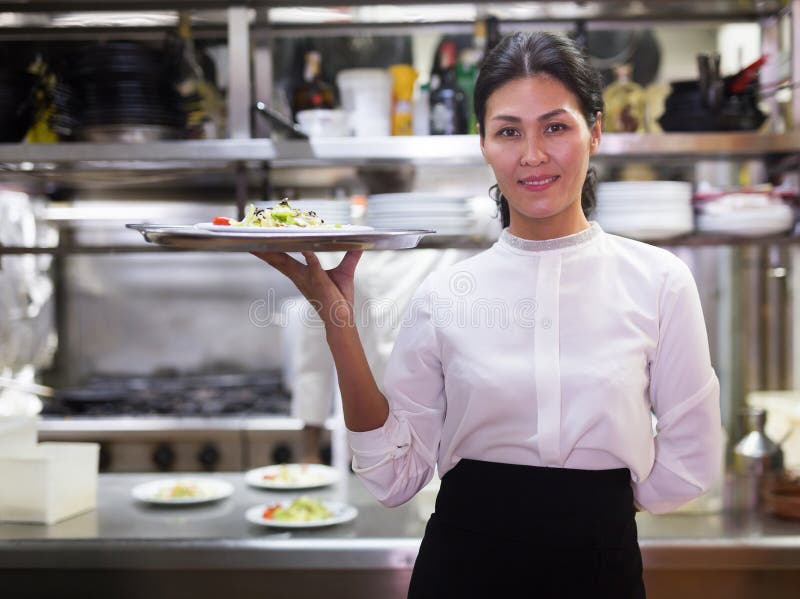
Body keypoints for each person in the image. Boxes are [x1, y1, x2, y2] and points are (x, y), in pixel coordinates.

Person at [254, 31, 722, 599]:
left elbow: (691, 461)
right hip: (462, 570)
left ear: (595, 131)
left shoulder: (660, 281)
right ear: (483, 142)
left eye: (555, 127)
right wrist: (338, 322)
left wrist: (590, 507)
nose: (532, 155)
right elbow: (394, 476)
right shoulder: (444, 294)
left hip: (600, 569)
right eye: (508, 131)